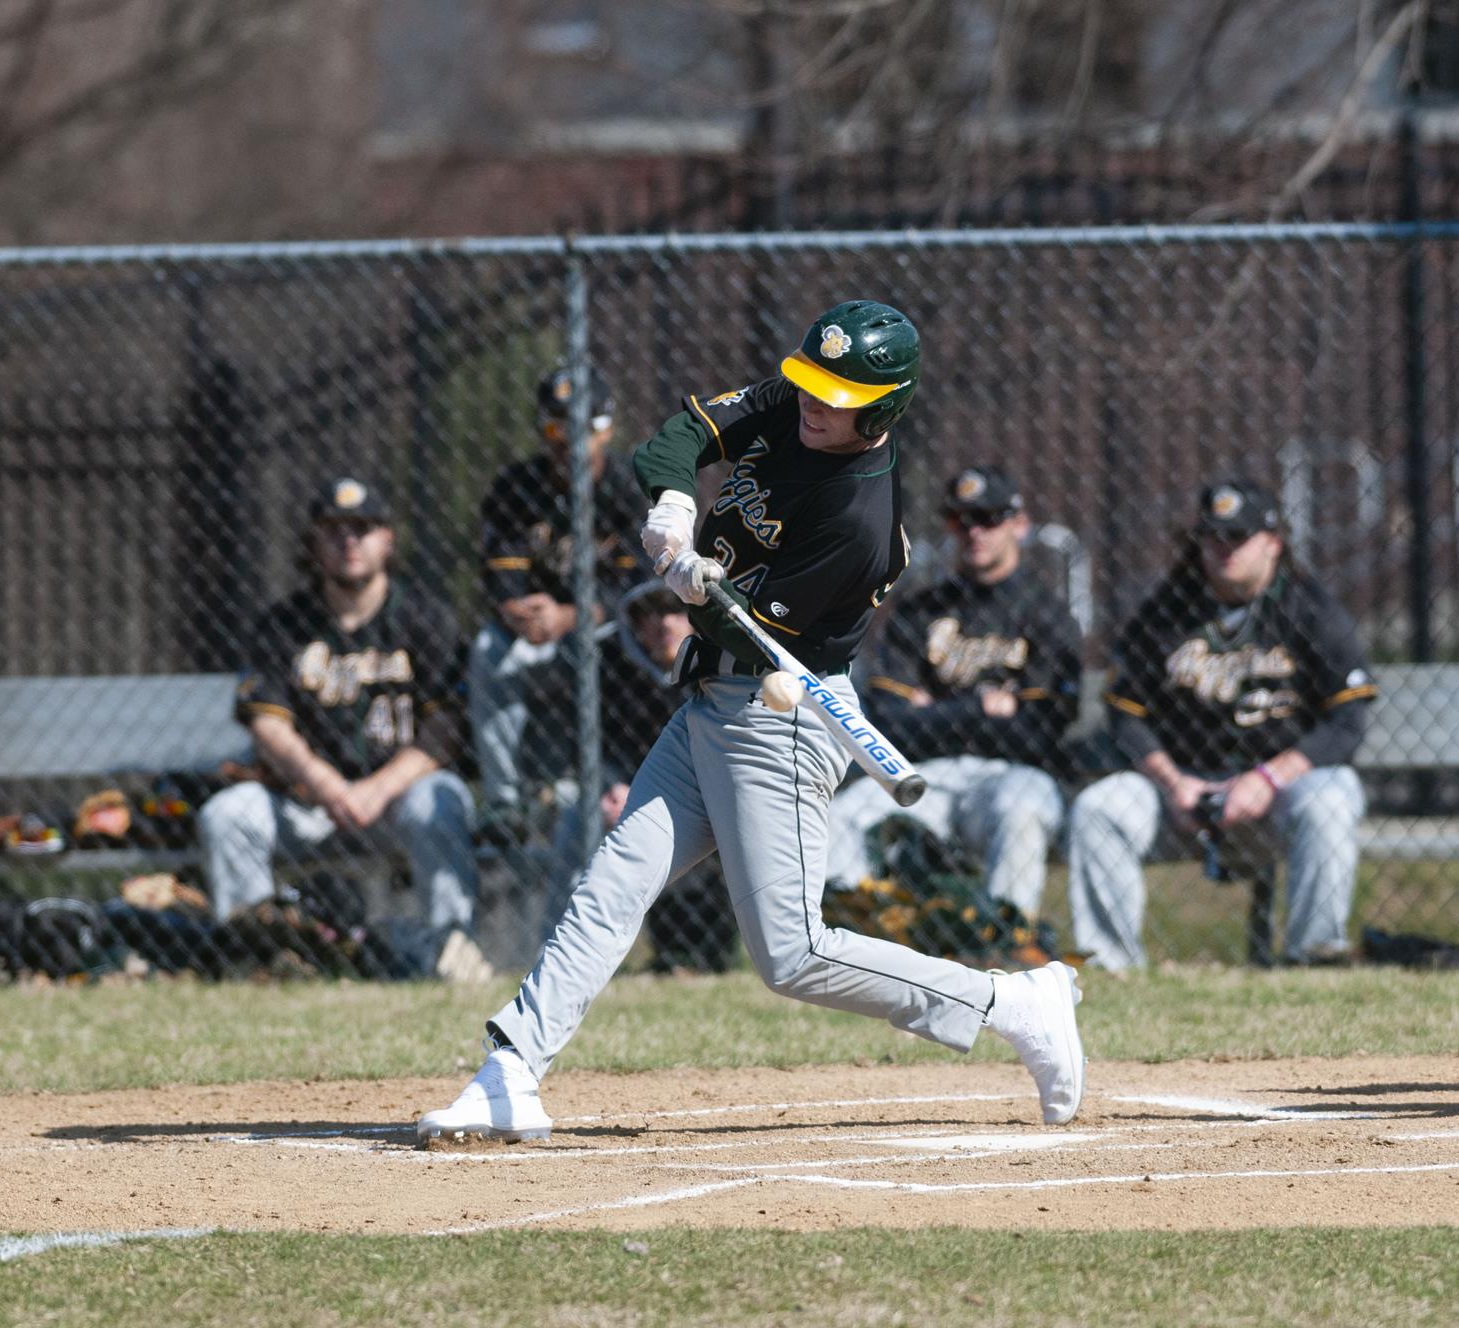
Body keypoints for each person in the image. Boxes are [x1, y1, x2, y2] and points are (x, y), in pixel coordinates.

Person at [417, 301, 1085, 1143]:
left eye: (838, 394)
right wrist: (671, 510)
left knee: (793, 956)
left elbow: (733, 621)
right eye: (811, 380)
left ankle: (1011, 1002)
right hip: (712, 700)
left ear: (882, 407)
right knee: (615, 879)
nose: (811, 400)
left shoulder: (860, 525)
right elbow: (674, 440)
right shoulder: (800, 398)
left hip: (780, 717)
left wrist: (695, 585)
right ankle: (510, 1072)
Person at [1069, 480, 1376, 969]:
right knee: (1099, 809)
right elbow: (1125, 716)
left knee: (1332, 797)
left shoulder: (1311, 609)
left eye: (1238, 536)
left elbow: (1348, 721)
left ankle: (1314, 956)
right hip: (1183, 793)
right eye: (1213, 536)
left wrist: (1268, 778)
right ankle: (1110, 968)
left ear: (1273, 541)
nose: (1223, 548)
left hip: (1280, 792)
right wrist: (1173, 783)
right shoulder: (1165, 612)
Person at [196, 476, 489, 977]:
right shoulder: (283, 625)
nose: (349, 541)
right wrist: (329, 787)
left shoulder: (425, 619)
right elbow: (267, 726)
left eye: (363, 528)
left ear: (388, 539)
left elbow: (446, 728)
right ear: (313, 542)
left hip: (398, 799)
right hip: (306, 802)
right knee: (228, 816)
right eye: (334, 530)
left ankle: (448, 955)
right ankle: (264, 955)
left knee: (441, 803)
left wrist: (375, 790)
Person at [828, 465, 1081, 920]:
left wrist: (933, 709)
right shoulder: (918, 610)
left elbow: (1038, 734)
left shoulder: (1048, 614)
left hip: (1010, 775)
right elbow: (886, 725)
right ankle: (868, 942)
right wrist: (984, 707)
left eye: (988, 518)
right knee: (839, 818)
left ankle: (1007, 939)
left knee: (1022, 810)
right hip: (923, 776)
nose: (973, 532)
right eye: (959, 520)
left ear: (1019, 525)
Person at [468, 365, 646, 828]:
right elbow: (500, 572)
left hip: (613, 628)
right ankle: (505, 804)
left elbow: (642, 586)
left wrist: (571, 615)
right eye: (554, 427)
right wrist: (516, 610)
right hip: (534, 627)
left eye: (582, 428)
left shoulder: (632, 486)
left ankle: (622, 780)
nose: (566, 441)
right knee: (489, 651)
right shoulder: (517, 487)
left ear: (605, 429)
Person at [535, 581, 736, 969]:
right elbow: (581, 742)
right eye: (649, 614)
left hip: (716, 791)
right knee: (577, 816)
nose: (663, 623)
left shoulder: (727, 663)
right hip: (625, 792)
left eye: (676, 611)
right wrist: (610, 786)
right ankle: (559, 961)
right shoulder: (607, 664)